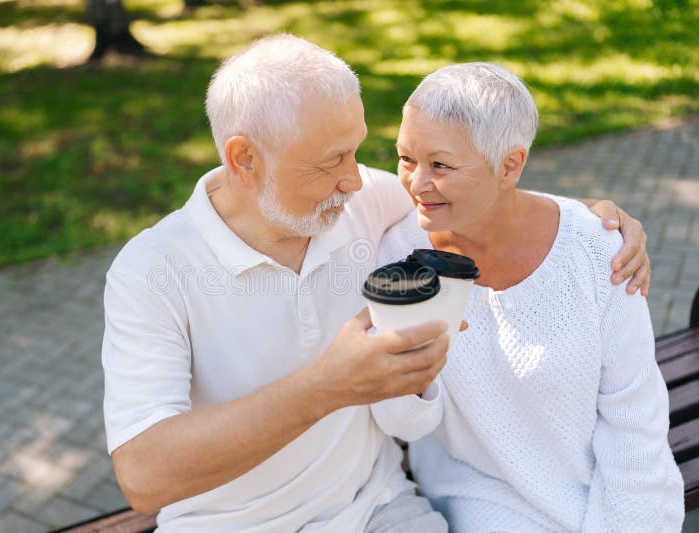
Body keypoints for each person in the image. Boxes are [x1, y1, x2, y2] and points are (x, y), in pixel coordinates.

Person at [101, 35, 651, 532]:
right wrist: (325, 388)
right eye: (330, 160)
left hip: (379, 508)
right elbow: (144, 477)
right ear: (244, 159)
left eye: (358, 149)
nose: (354, 176)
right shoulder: (152, 272)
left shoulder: (356, 203)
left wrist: (592, 221)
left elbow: (479, 198)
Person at [370, 62, 683, 532]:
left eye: (441, 165)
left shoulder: (597, 248)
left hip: (609, 484)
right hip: (481, 495)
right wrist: (415, 364)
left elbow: (633, 416)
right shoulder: (395, 258)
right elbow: (405, 425)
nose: (415, 183)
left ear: (510, 165)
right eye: (406, 158)